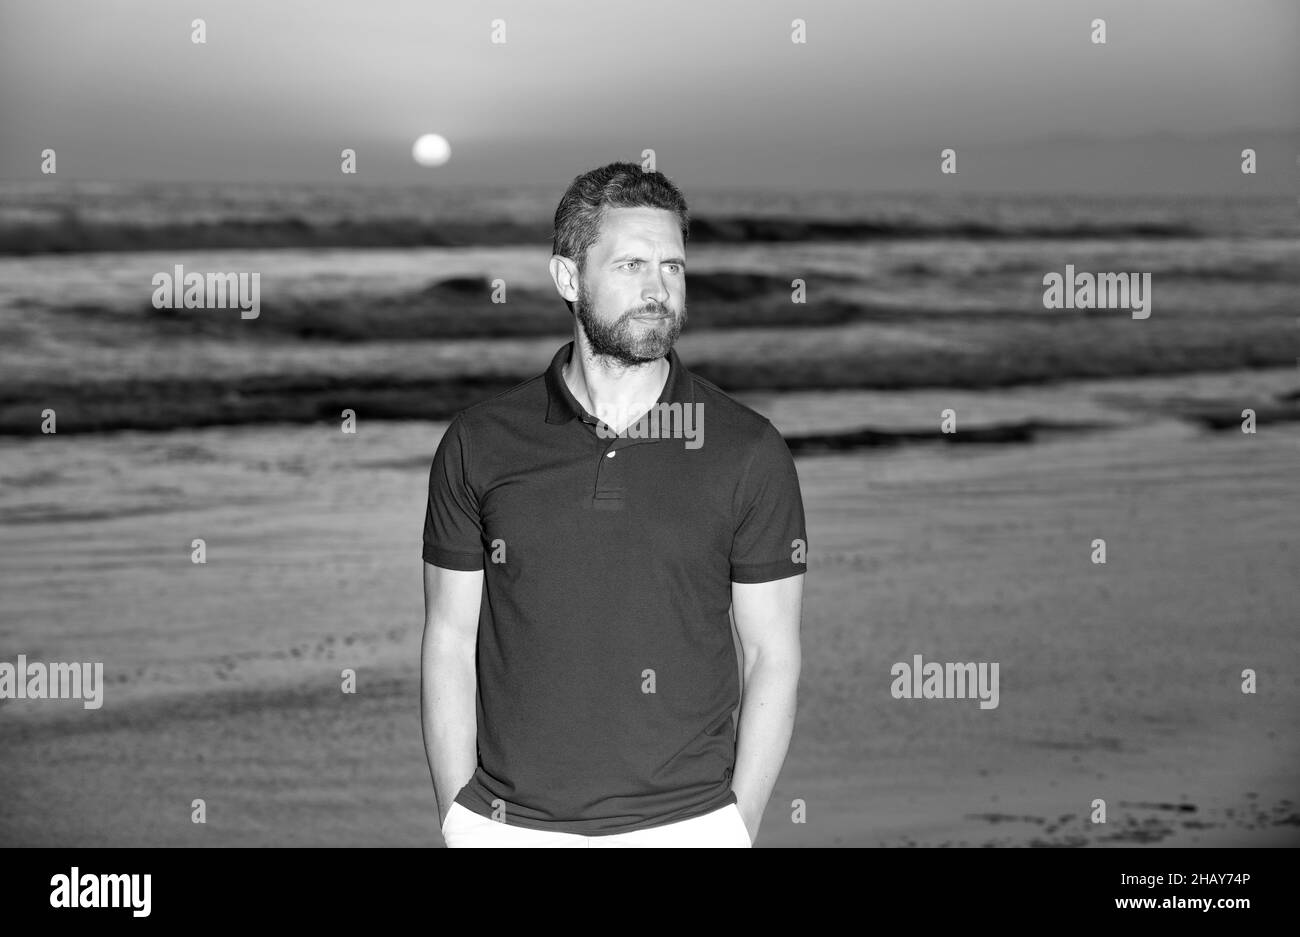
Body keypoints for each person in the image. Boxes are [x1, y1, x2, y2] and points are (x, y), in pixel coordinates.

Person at [421, 161, 807, 847]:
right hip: (508, 828)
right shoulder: (479, 443)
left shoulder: (748, 450)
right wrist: (459, 819)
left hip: (690, 825)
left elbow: (771, 650)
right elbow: (449, 639)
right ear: (569, 278)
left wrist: (735, 826)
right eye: (631, 264)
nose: (659, 288)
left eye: (673, 266)